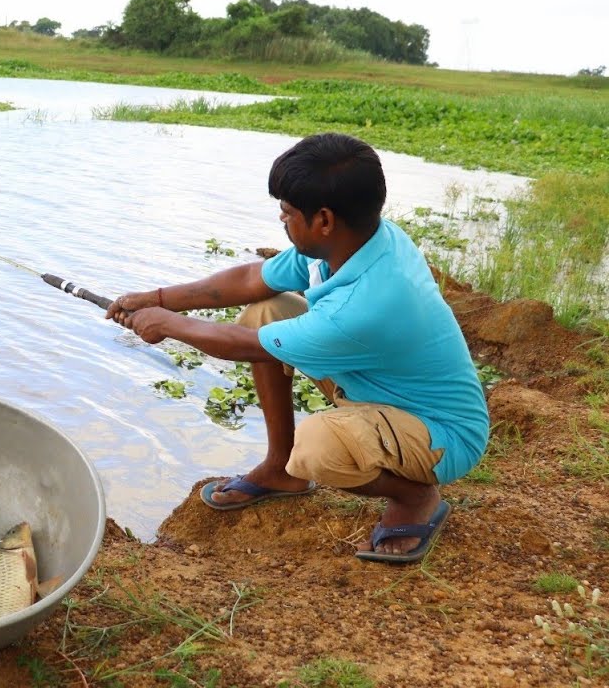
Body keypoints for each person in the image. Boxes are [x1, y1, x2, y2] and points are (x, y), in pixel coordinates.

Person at [105, 132, 487, 564]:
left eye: (286, 214)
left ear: (323, 219)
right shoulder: (356, 241)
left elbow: (244, 346)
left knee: (318, 448)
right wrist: (158, 298)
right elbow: (253, 280)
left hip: (441, 433)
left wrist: (170, 325)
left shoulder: (366, 305)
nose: (283, 223)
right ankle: (278, 468)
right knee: (265, 310)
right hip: (376, 386)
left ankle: (415, 497)